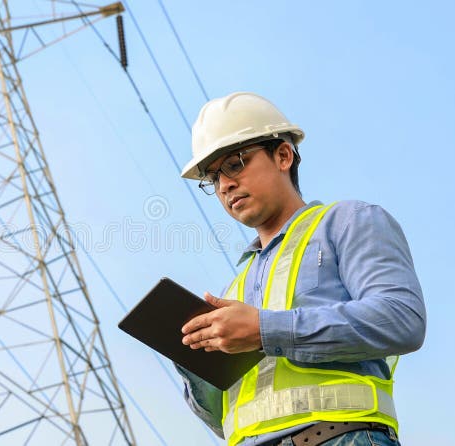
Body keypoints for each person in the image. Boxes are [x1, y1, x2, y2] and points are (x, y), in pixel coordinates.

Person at [175, 92, 426, 446]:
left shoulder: (347, 222)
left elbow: (401, 319)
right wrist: (192, 359)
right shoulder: (233, 292)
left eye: (235, 164)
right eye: (213, 178)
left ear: (283, 155)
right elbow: (224, 420)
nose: (225, 185)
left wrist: (264, 330)